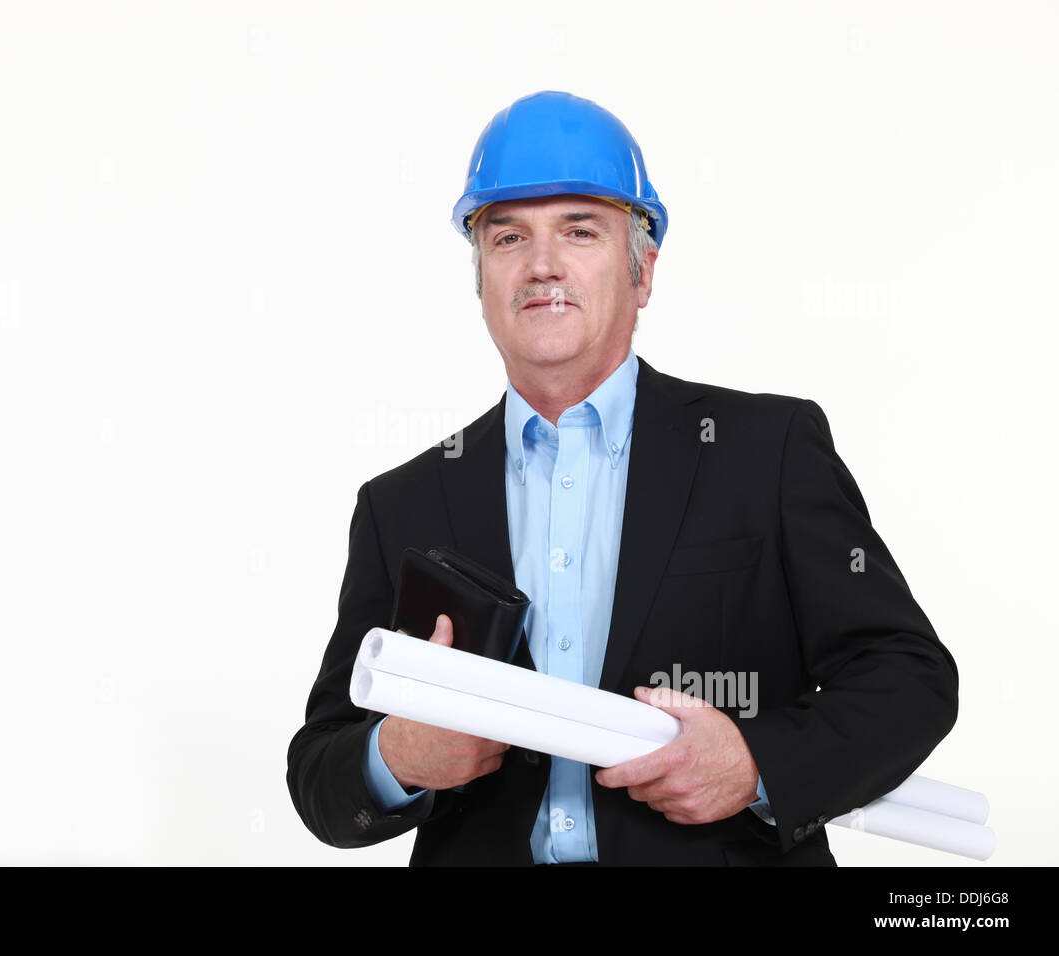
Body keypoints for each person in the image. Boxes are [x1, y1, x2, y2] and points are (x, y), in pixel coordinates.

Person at [286, 90, 958, 865]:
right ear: (481, 284)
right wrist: (398, 757)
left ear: (643, 271)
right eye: (508, 238)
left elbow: (909, 677)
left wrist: (754, 764)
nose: (542, 265)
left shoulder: (765, 451)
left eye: (580, 231)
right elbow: (320, 778)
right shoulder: (400, 503)